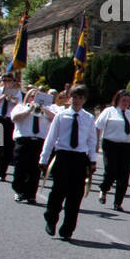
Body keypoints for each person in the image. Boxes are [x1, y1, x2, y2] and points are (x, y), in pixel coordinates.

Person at [39, 84, 97, 241]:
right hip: (63, 156)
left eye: (80, 98)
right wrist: (44, 159)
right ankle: (51, 219)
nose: (76, 101)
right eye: (74, 97)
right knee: (57, 192)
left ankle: (68, 229)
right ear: (69, 98)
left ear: (84, 100)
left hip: (79, 158)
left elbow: (92, 141)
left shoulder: (89, 118)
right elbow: (51, 138)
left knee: (75, 196)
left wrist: (93, 160)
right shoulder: (61, 116)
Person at [94, 90, 130, 211]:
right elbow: (98, 127)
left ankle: (118, 202)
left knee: (124, 175)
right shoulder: (109, 111)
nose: (126, 103)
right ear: (117, 100)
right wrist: (95, 143)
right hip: (111, 144)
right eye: (123, 100)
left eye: (127, 101)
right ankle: (104, 188)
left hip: (127, 146)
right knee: (111, 170)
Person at [10, 89, 56, 204]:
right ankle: (19, 191)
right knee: (21, 168)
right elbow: (15, 118)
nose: (33, 98)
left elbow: (55, 119)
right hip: (24, 140)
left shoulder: (47, 109)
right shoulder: (21, 107)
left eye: (36, 96)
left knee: (35, 170)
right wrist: (29, 109)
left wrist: (43, 108)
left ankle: (31, 194)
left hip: (39, 141)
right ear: (27, 97)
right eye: (31, 96)